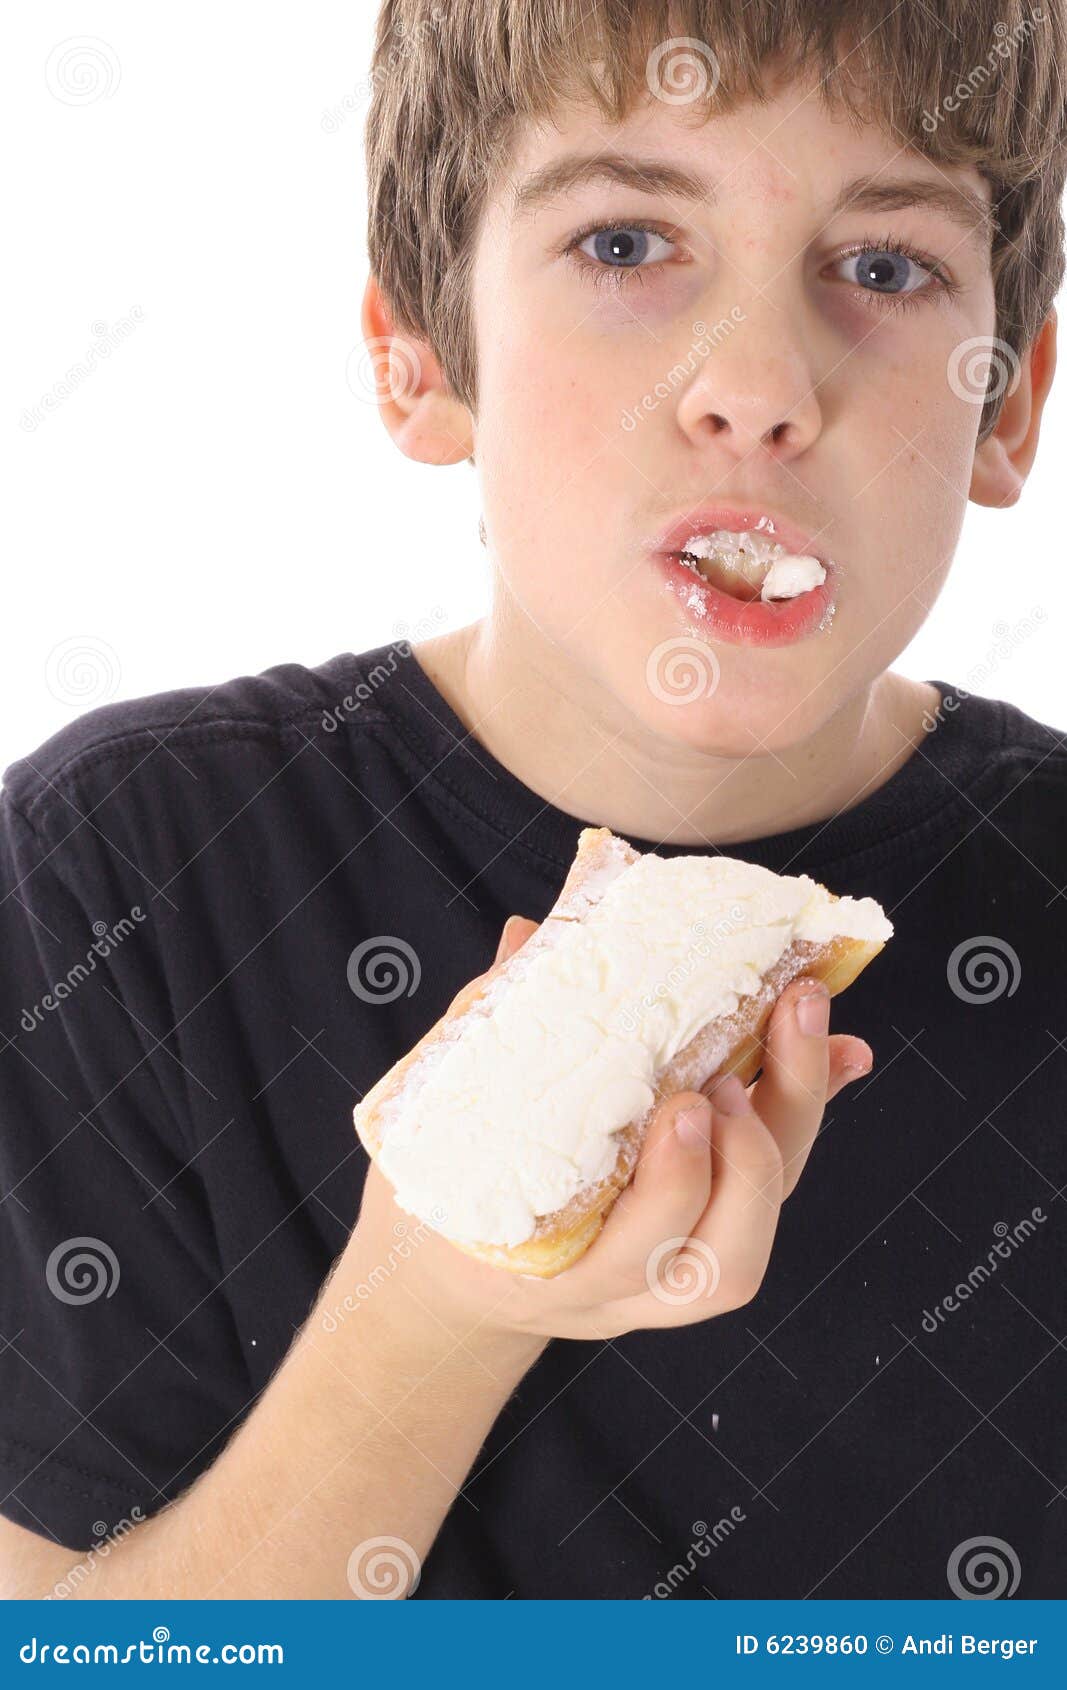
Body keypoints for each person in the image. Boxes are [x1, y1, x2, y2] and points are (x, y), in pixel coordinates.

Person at [2, 0, 1065, 1599]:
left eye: (886, 267)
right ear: (420, 358)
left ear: (1011, 400)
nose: (759, 387)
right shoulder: (122, 877)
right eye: (630, 243)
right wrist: (440, 1298)